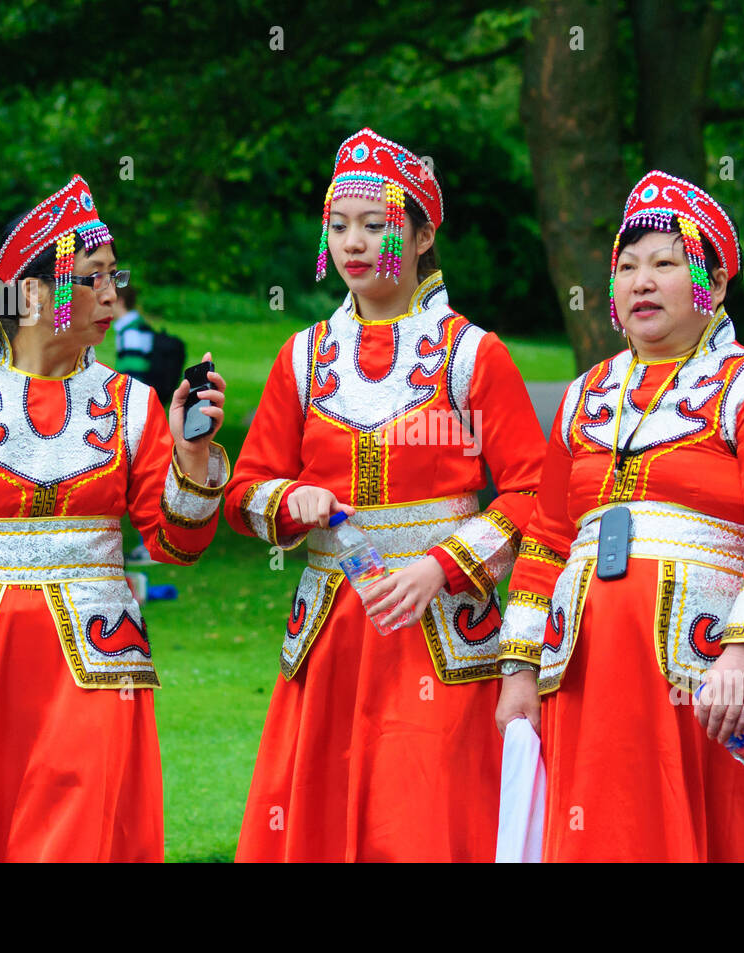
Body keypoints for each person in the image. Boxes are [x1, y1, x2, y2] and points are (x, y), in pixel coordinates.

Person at [0, 175, 231, 861]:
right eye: (93, 279)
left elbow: (176, 544)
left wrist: (194, 456)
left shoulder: (134, 404)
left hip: (95, 665)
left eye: (116, 277)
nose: (113, 295)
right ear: (32, 293)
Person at [494, 170, 744, 861]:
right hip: (587, 673)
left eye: (666, 263)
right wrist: (518, 671)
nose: (641, 280)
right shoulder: (583, 396)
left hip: (708, 672)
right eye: (627, 266)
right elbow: (545, 541)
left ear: (714, 286)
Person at [225, 128, 545, 861]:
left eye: (377, 225)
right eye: (339, 225)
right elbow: (244, 492)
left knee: (425, 821)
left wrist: (442, 564)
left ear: (424, 234)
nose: (353, 242)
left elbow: (535, 493)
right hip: (334, 629)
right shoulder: (303, 356)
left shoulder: (472, 354)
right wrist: (287, 501)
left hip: (443, 631)